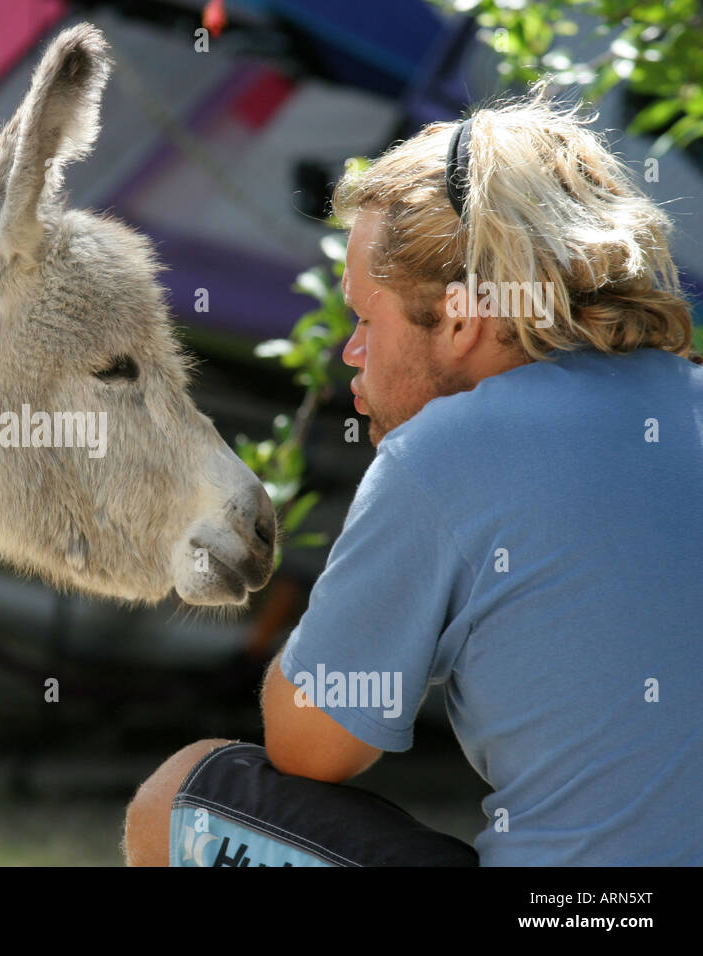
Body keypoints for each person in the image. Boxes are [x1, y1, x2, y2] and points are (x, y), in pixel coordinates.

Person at [123, 89, 703, 866]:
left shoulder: (446, 452)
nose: (351, 354)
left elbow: (312, 748)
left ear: (462, 319)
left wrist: (398, 605)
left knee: (183, 795)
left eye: (366, 318)